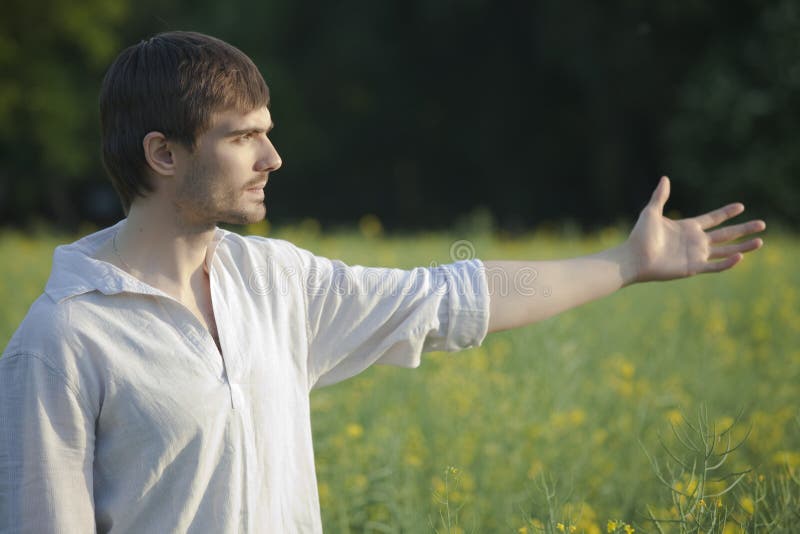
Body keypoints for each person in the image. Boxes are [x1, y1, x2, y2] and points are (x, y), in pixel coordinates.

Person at [0, 31, 766, 533]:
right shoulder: (62, 339)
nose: (273, 160)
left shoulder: (277, 282)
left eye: (269, 132)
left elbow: (455, 298)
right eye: (244, 138)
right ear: (163, 155)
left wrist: (624, 264)